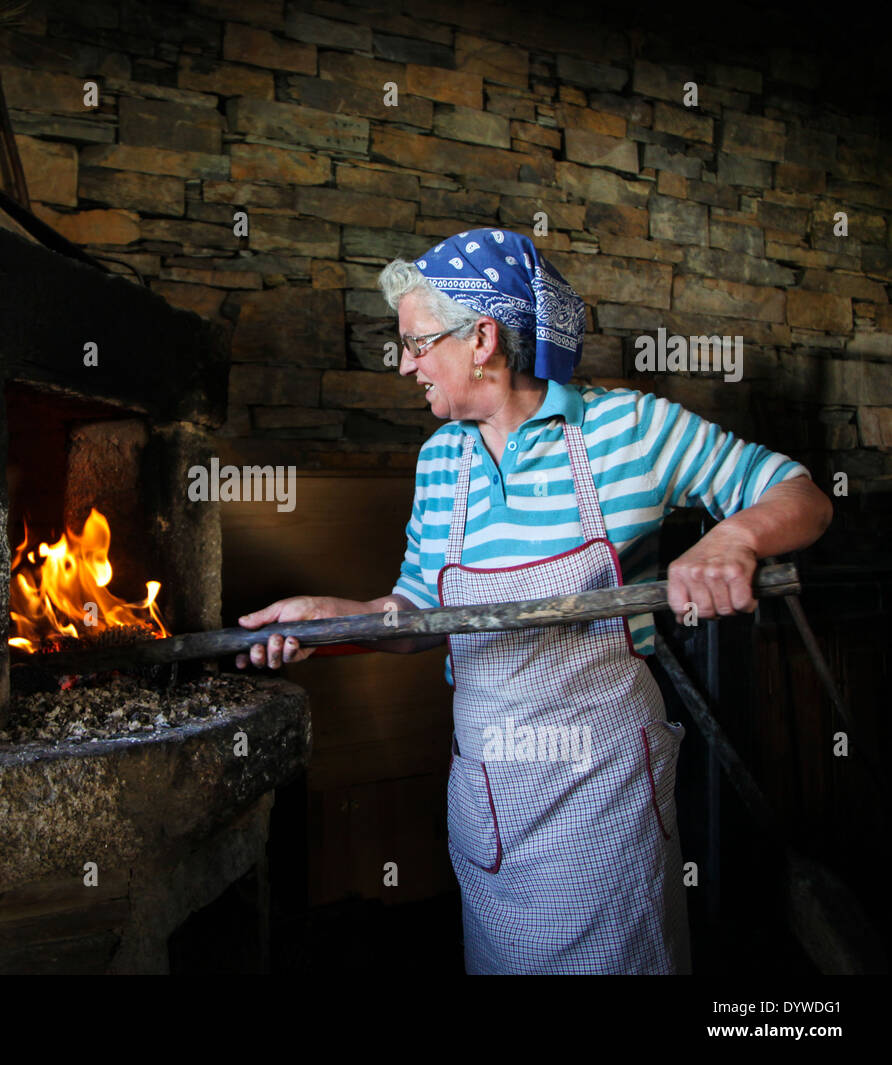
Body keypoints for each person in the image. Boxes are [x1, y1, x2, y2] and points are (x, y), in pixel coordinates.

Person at [235, 228, 833, 974]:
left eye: (418, 343)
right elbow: (420, 615)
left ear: (481, 337)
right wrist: (334, 617)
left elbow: (802, 494)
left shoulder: (626, 431)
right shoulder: (441, 460)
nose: (405, 363)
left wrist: (733, 537)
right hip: (490, 805)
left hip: (605, 802)